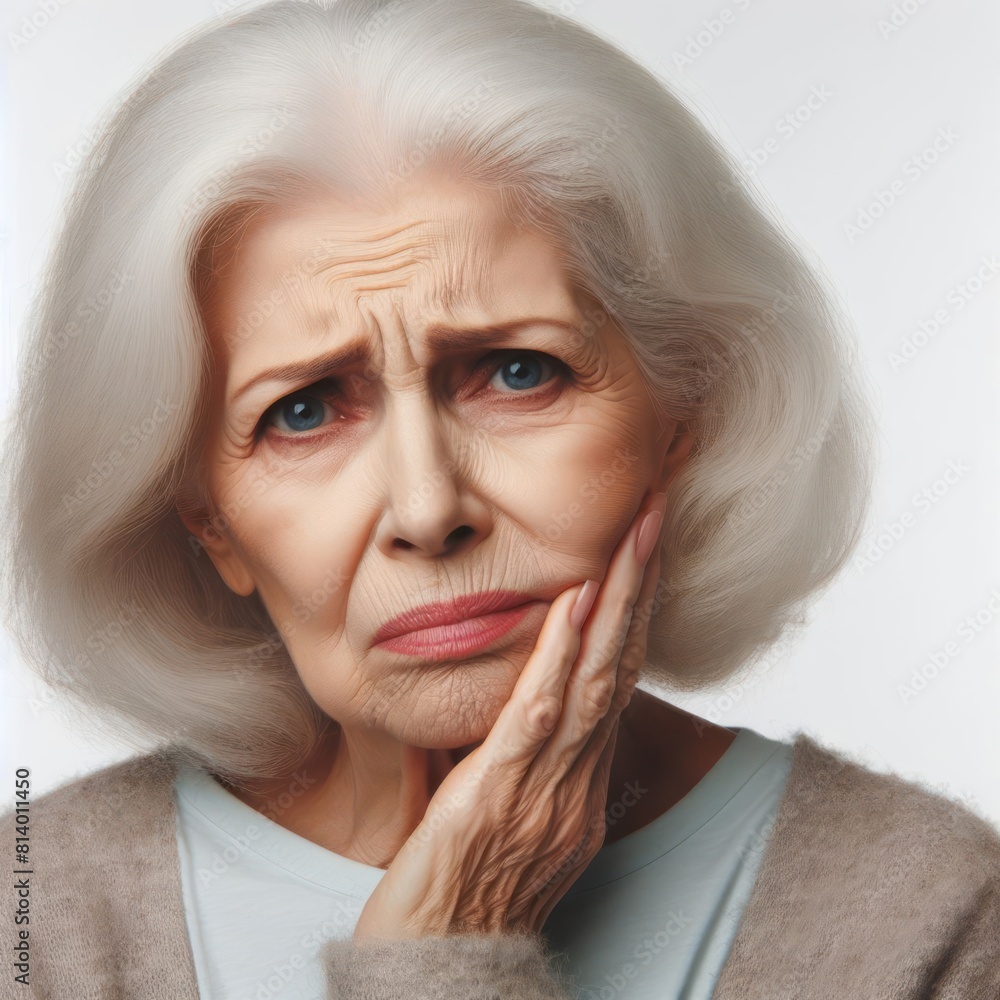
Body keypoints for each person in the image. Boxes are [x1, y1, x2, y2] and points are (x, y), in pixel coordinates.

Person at [1, 0, 998, 997]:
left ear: (683, 411)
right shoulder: (35, 916)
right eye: (302, 412)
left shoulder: (926, 915)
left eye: (519, 372)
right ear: (209, 521)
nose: (428, 509)